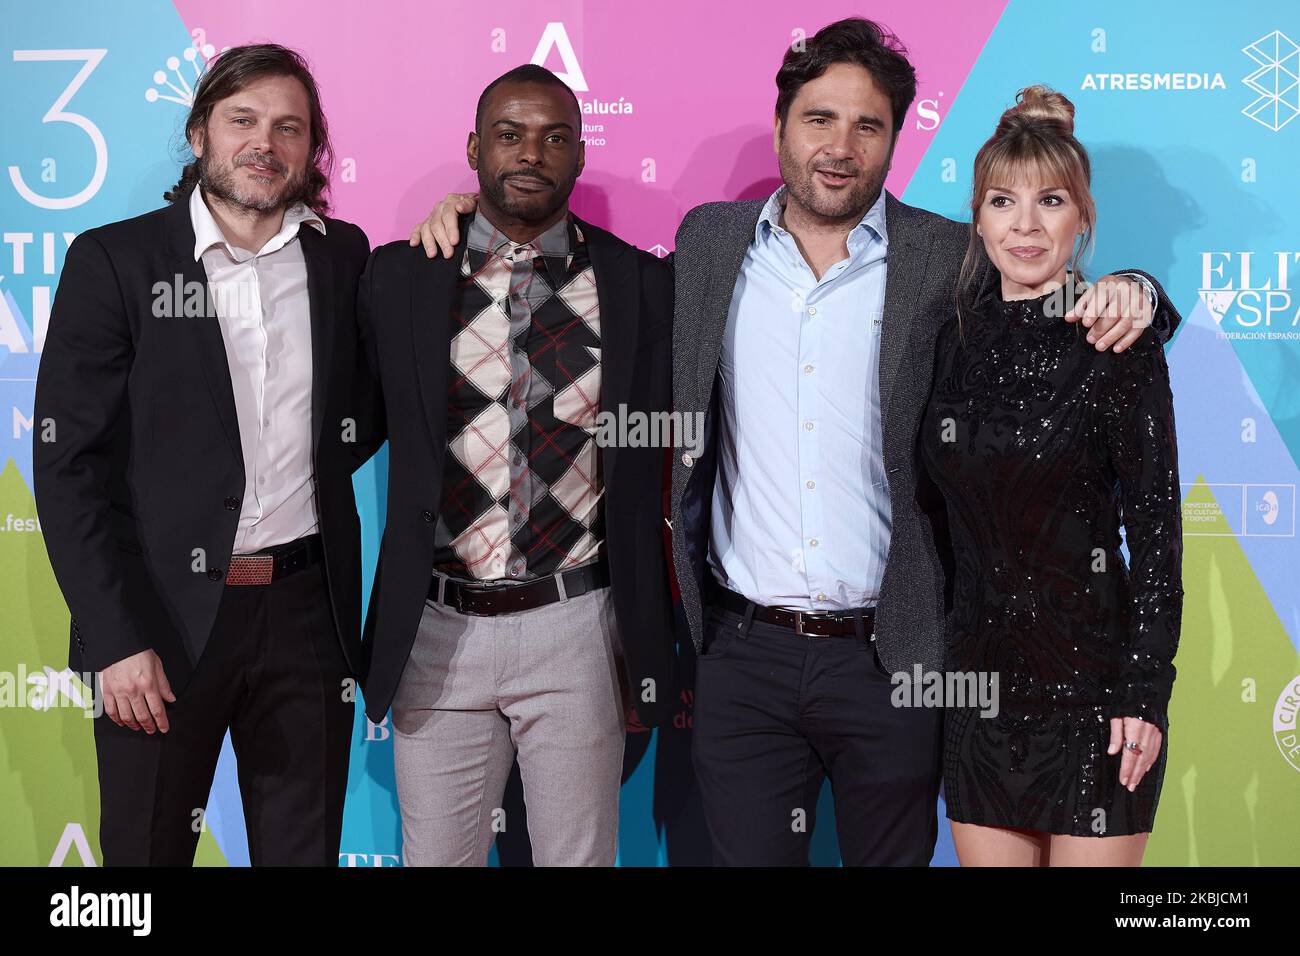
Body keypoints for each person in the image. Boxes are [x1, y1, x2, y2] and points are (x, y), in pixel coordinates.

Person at [411, 18, 1179, 866]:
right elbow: (577, 266)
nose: (840, 146)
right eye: (820, 119)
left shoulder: (948, 256)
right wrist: (467, 213)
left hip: (896, 659)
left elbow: (1048, 294)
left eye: (868, 125)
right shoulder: (708, 244)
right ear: (782, 128)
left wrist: (1138, 291)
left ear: (895, 141)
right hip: (742, 661)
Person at [33, 43, 383, 865]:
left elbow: (364, 412)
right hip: (158, 619)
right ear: (200, 135)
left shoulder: (341, 258)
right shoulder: (116, 261)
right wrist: (115, 638)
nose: (266, 142)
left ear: (311, 150)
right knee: (143, 864)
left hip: (307, 617)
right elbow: (68, 464)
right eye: (244, 120)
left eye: (289, 127)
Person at [355, 64, 674, 866]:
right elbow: (344, 426)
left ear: (579, 154)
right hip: (435, 629)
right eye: (509, 134)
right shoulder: (401, 276)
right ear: (473, 149)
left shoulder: (638, 282)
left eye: (554, 137)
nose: (531, 153)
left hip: (577, 622)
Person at [919, 85, 1182, 867]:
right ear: (978, 216)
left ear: (1083, 217)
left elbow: (1158, 536)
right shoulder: (949, 338)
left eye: (1051, 201)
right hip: (977, 696)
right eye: (1003, 201)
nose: (1025, 225)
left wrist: (1144, 694)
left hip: (1096, 698)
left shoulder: (1114, 340)